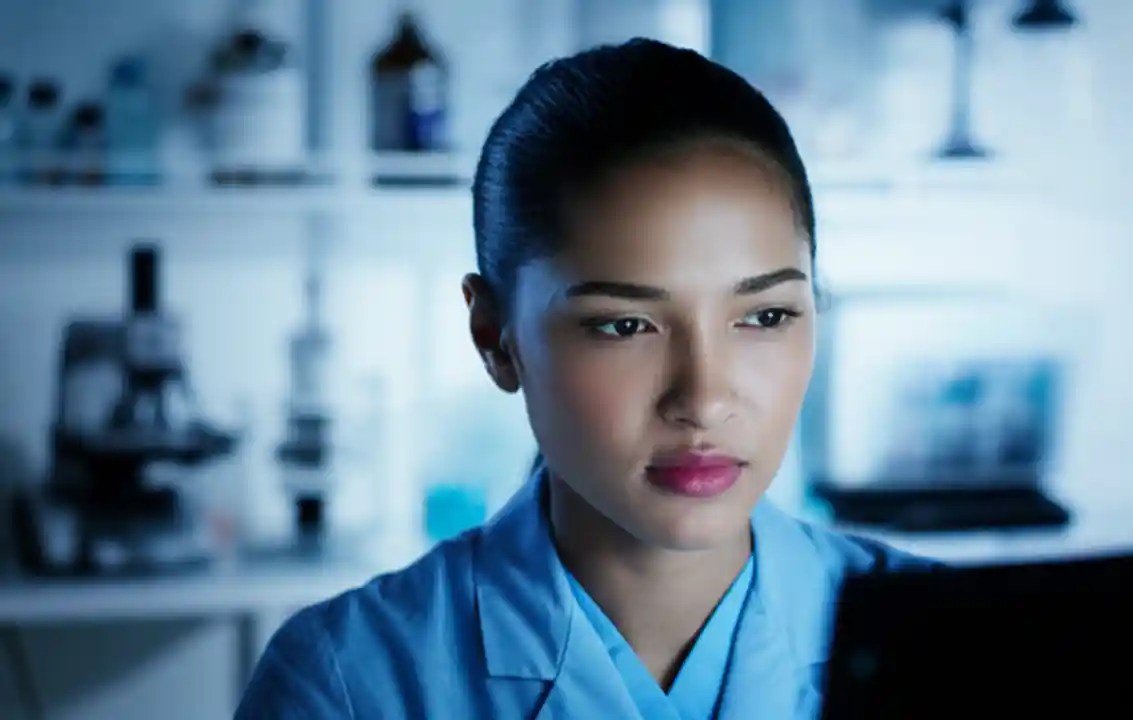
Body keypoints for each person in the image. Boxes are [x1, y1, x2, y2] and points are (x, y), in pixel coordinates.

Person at [236, 38, 934, 720]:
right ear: (495, 337)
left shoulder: (947, 638)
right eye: (624, 326)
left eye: (766, 315)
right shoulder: (351, 683)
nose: (705, 399)